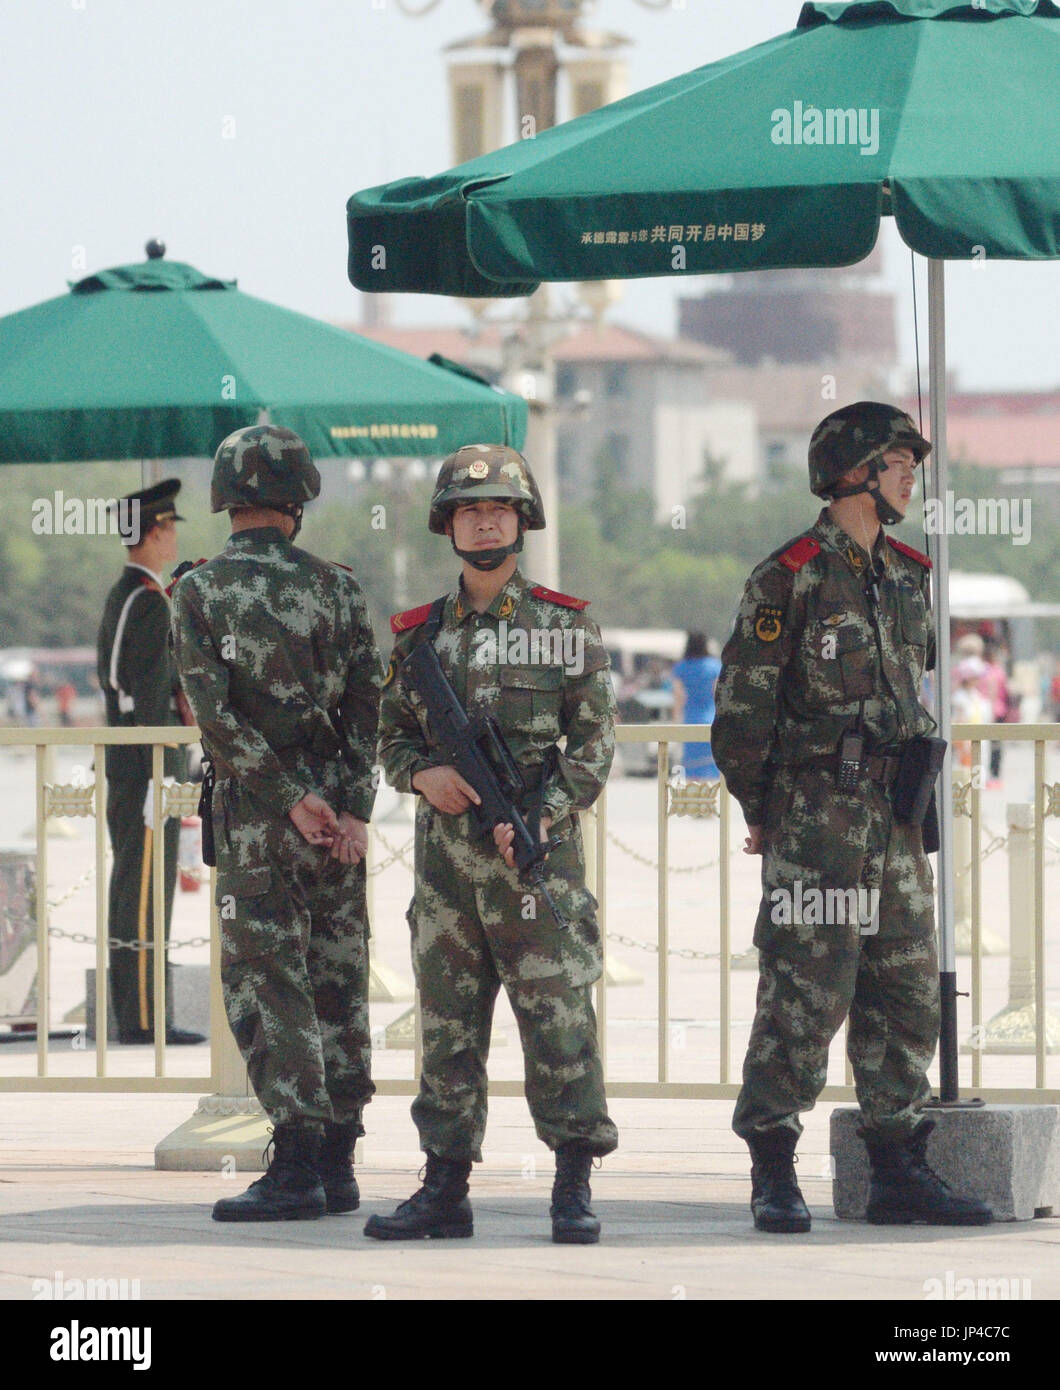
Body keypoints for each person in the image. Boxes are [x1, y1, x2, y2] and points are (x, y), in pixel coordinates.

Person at [712, 401, 992, 1233]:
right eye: (901, 460)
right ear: (855, 473)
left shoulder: (911, 575)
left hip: (897, 821)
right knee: (804, 993)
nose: (914, 474)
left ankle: (899, 1167)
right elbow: (741, 715)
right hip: (818, 824)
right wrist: (765, 811)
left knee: (904, 992)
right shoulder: (788, 576)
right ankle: (772, 1166)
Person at [366, 443, 618, 1245]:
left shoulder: (563, 625)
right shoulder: (417, 637)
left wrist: (544, 814)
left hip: (535, 865)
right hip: (448, 872)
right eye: (470, 511)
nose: (485, 521)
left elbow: (594, 742)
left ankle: (573, 1182)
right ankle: (444, 1186)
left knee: (559, 1023)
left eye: (500, 510)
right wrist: (421, 778)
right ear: (448, 525)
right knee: (446, 1027)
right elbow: (390, 737)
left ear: (522, 521)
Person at [171, 425, 383, 1222]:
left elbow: (214, 717)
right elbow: (371, 708)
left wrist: (289, 794)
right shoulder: (339, 588)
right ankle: (339, 1160)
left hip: (263, 822)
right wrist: (351, 804)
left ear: (227, 498)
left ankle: (294, 1168)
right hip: (339, 830)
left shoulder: (198, 592)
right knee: (338, 978)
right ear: (298, 500)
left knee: (271, 984)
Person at [96, 480, 201, 1046]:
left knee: (144, 887)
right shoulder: (148, 602)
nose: (173, 537)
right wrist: (160, 771)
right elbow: (146, 696)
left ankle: (145, 1011)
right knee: (142, 893)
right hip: (146, 767)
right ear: (158, 531)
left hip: (138, 765)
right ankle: (140, 1018)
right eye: (171, 528)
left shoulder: (132, 594)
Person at [671, 632, 721, 780]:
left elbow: (679, 697)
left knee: (692, 769)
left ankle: (693, 800)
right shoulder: (714, 666)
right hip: (710, 718)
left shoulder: (681, 667)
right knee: (711, 767)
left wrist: (675, 721)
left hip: (690, 720)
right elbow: (717, 694)